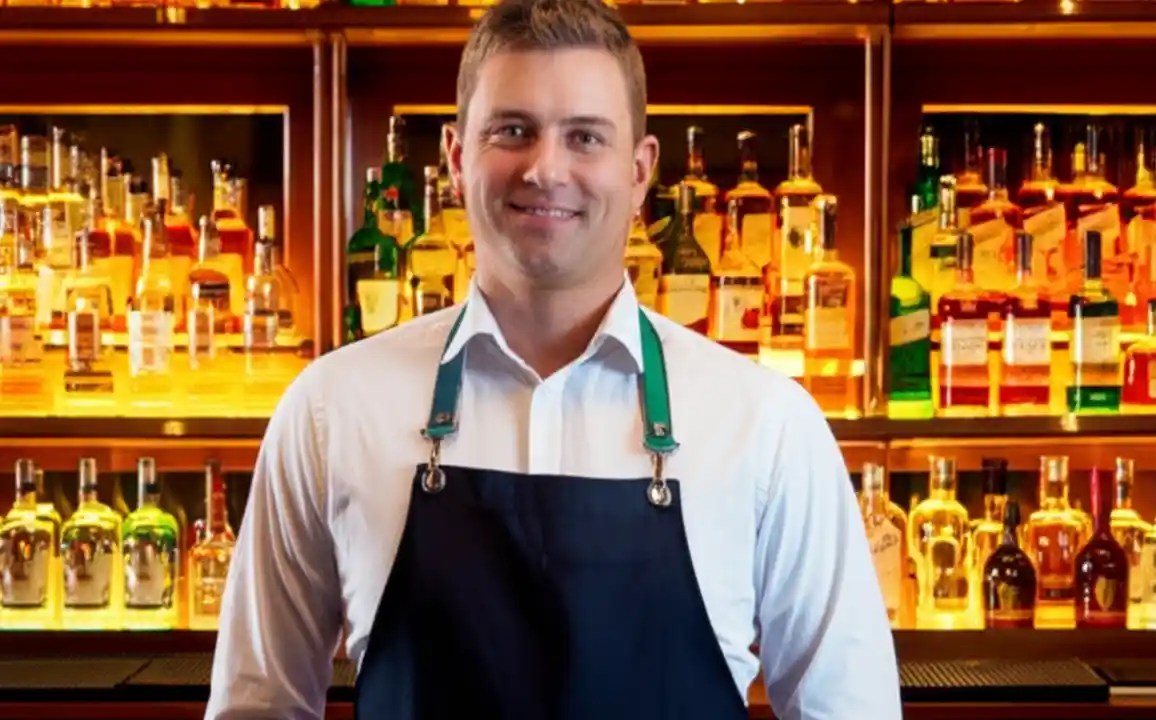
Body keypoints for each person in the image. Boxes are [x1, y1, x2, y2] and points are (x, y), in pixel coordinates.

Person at [206, 0, 900, 717]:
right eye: (513, 130)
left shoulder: (768, 424)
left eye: (585, 138)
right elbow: (257, 708)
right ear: (454, 156)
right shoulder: (331, 409)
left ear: (640, 172)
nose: (545, 168)